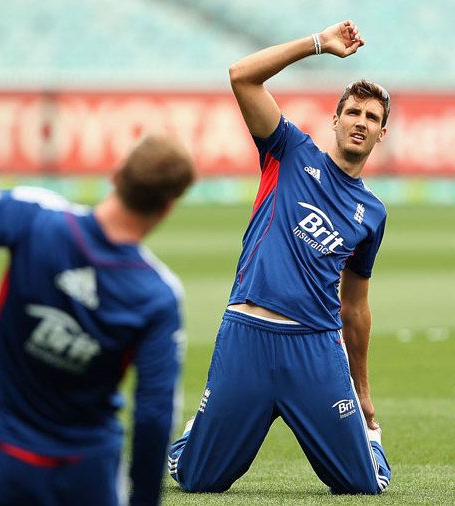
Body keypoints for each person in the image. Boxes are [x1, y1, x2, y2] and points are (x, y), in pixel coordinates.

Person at [0, 87, 195, 506]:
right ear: (168, 206)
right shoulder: (158, 294)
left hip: (0, 456)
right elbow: (153, 414)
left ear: (116, 175)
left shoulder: (38, 220)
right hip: (86, 473)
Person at [167, 20, 391, 495]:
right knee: (197, 481)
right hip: (248, 334)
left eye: (371, 118)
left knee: (363, 486)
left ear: (381, 135)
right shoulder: (288, 150)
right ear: (335, 120)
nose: (360, 122)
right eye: (352, 112)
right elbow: (241, 75)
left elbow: (355, 307)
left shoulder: (372, 213)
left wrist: (363, 390)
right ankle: (198, 434)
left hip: (315, 346)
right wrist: (317, 45)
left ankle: (367, 438)